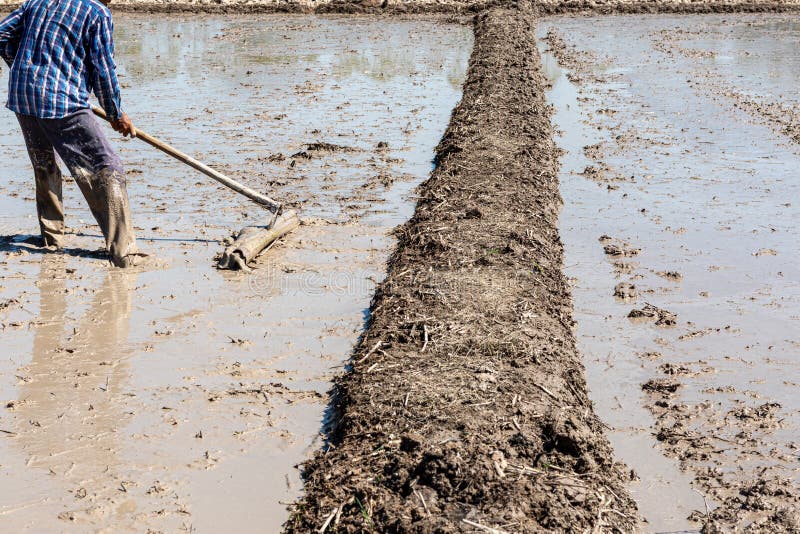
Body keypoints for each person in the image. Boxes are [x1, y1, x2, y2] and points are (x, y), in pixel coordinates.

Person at [0, 0, 146, 267]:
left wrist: (24, 68)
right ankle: (124, 253)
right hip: (62, 101)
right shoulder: (96, 12)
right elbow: (103, 69)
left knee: (43, 162)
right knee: (106, 167)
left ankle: (52, 238)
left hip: (23, 95)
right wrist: (115, 113)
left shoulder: (38, 1)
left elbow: (2, 34)